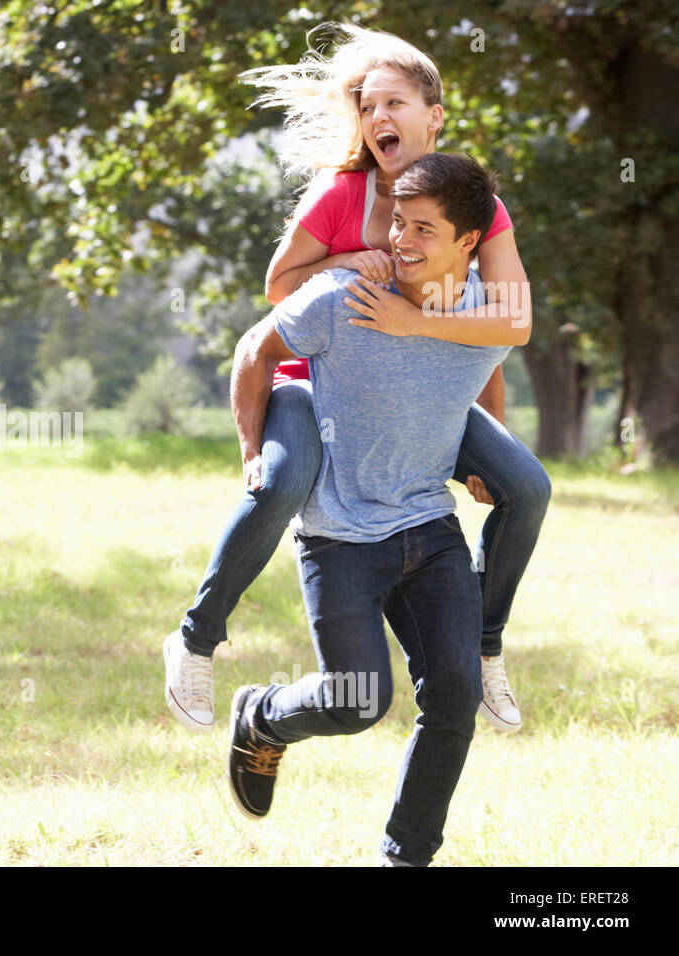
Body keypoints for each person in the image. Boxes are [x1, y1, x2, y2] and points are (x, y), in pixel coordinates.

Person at [164, 23, 549, 736]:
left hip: (426, 387)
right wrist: (345, 267)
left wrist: (480, 426)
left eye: (393, 103)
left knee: (527, 488)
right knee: (280, 485)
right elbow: (279, 286)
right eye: (366, 106)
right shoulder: (342, 194)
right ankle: (196, 637)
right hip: (314, 383)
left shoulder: (475, 207)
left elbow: (503, 320)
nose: (377, 119)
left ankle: (485, 643)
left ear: (433, 116)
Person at [226, 152, 516, 866]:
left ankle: (403, 856)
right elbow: (254, 350)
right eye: (397, 222)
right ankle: (262, 717)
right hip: (340, 538)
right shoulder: (342, 297)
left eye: (424, 229)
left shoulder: (487, 314)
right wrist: (252, 448)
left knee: (455, 695)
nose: (400, 241)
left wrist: (487, 458)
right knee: (357, 703)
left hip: (430, 530)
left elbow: (491, 369)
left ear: (468, 243)